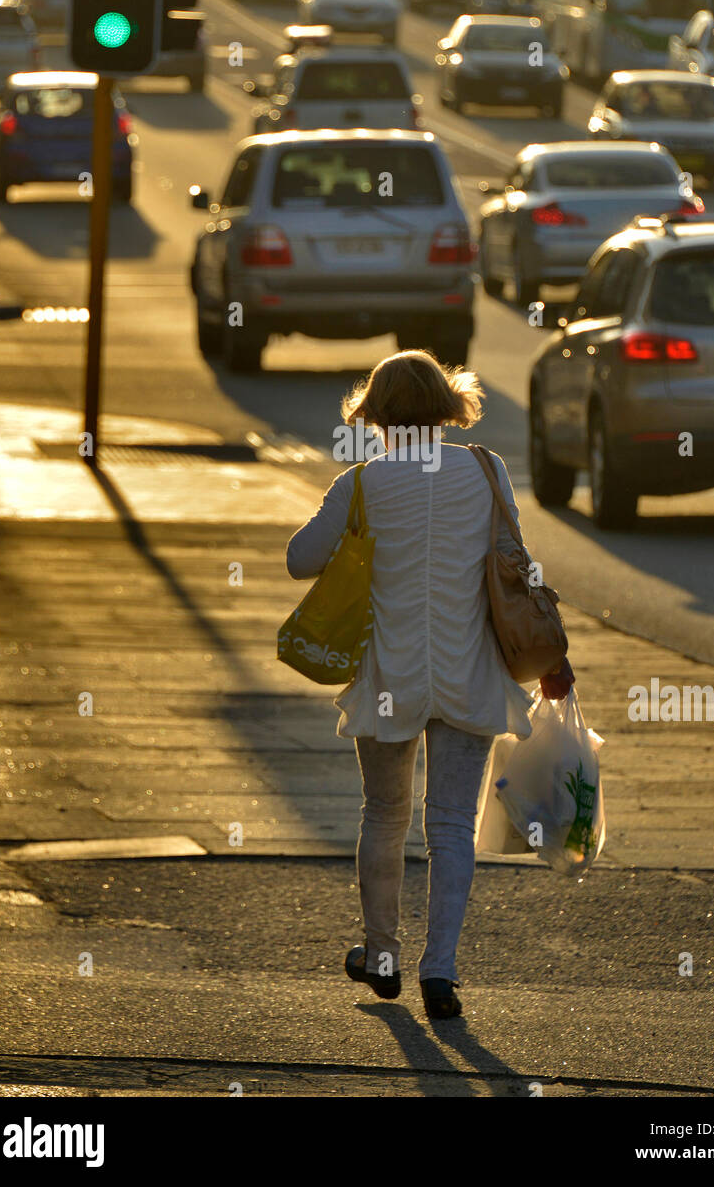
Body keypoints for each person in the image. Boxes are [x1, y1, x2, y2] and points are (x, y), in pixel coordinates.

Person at [285, 350, 573, 1020]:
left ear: (376, 414)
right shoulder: (486, 469)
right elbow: (517, 565)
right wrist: (552, 651)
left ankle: (380, 955)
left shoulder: (360, 484)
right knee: (449, 825)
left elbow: (300, 560)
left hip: (390, 676)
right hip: (469, 672)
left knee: (383, 814)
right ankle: (438, 973)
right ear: (448, 405)